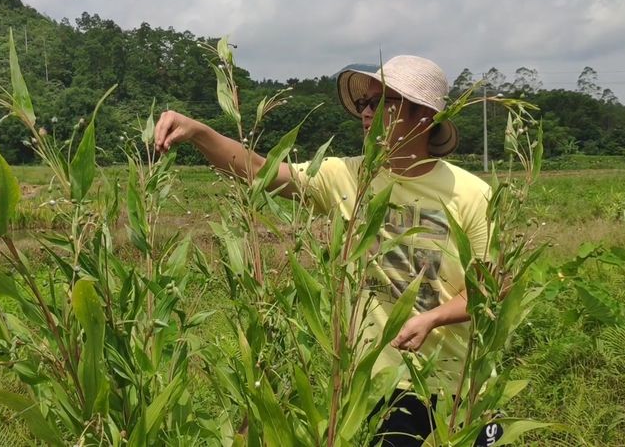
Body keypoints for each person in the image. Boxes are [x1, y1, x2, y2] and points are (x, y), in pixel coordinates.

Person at [154, 55, 491, 446]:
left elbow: (487, 292)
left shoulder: (469, 194)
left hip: (454, 384)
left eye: (381, 103)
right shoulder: (345, 175)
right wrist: (199, 132)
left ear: (422, 116)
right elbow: (262, 172)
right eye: (364, 104)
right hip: (372, 381)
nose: (366, 113)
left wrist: (431, 318)